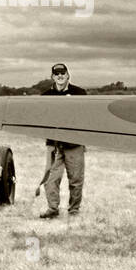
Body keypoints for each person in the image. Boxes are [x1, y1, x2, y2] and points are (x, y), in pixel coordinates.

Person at [39, 63, 86, 218]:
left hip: (74, 143)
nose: (60, 76)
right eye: (56, 74)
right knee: (51, 179)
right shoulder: (45, 96)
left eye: (63, 73)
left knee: (76, 179)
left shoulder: (79, 93)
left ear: (68, 75)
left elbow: (86, 117)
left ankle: (73, 210)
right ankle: (52, 209)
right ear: (52, 77)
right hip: (54, 144)